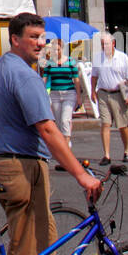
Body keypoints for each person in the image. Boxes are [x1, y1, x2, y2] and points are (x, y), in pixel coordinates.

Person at [0, 12, 101, 255]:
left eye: (43, 37)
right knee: (29, 252)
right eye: (33, 36)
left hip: (8, 162)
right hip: (20, 166)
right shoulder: (23, 75)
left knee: (40, 242)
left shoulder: (2, 67)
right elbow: (48, 130)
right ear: (15, 39)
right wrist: (81, 174)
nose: (40, 42)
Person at [90, 32, 128, 164]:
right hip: (103, 94)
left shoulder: (122, 58)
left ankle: (127, 150)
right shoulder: (98, 58)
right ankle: (107, 155)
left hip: (118, 95)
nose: (105, 46)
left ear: (113, 43)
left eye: (107, 44)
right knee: (105, 124)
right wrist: (93, 91)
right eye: (103, 44)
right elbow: (94, 76)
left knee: (122, 126)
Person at [41, 37, 83, 169]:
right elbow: (44, 79)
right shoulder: (49, 63)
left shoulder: (71, 62)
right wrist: (41, 92)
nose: (55, 51)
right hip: (54, 94)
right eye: (54, 49)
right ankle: (65, 145)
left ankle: (66, 155)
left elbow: (76, 80)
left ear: (62, 48)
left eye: (57, 48)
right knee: (58, 123)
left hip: (69, 93)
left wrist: (78, 97)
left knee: (65, 120)